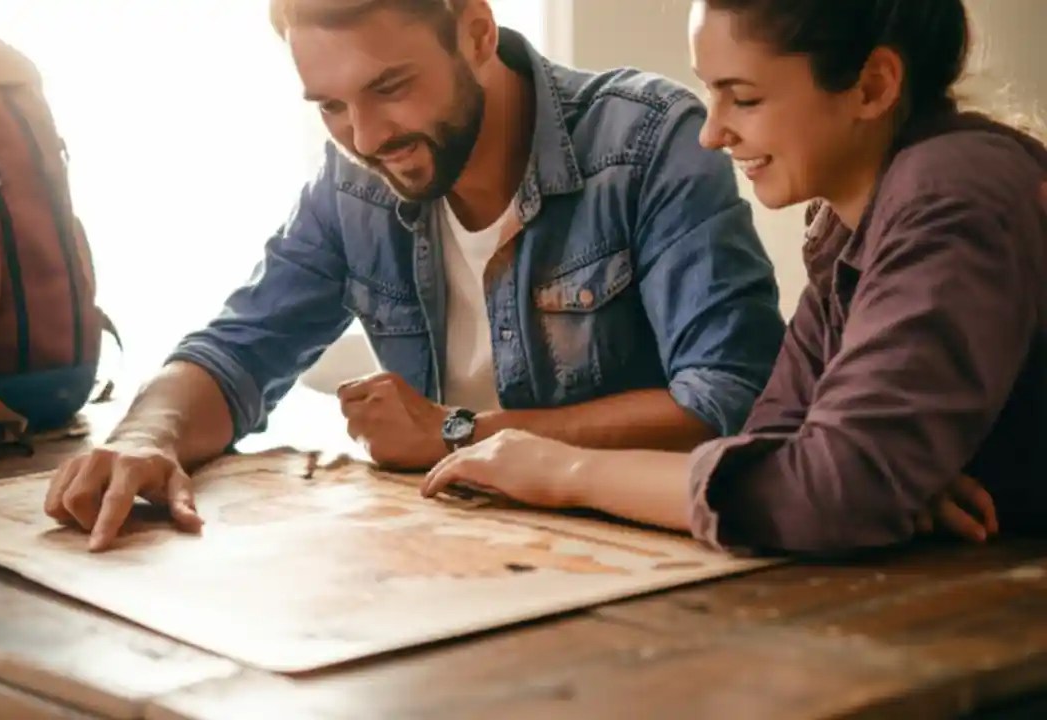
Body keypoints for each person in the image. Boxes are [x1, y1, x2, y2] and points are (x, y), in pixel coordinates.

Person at [44, 0, 786, 551]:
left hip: (655, 569)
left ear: (476, 31)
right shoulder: (353, 182)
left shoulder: (649, 142)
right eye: (332, 106)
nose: (366, 138)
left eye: (390, 86)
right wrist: (146, 435)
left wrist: (460, 432)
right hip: (452, 565)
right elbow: (238, 352)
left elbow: (730, 400)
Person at [424, 0, 1047, 554]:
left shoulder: (951, 194)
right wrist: (877, 483)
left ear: (872, 86)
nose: (712, 131)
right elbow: (775, 443)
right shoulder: (846, 226)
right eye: (711, 93)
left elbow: (828, 490)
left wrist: (566, 473)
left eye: (743, 97)